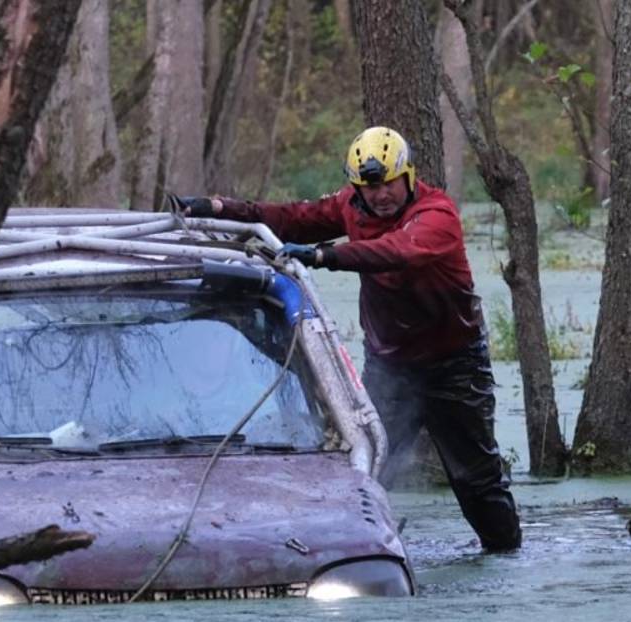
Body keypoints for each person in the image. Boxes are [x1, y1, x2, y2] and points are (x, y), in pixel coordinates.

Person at [176, 126, 521, 551]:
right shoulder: (350, 206)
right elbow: (291, 219)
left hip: (454, 364)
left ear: (408, 176)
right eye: (368, 187)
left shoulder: (437, 215)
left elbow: (395, 250)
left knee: (475, 479)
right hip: (391, 367)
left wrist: (326, 255)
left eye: (388, 184)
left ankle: (506, 553)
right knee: (366, 468)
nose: (379, 195)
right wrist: (217, 208)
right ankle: (354, 554)